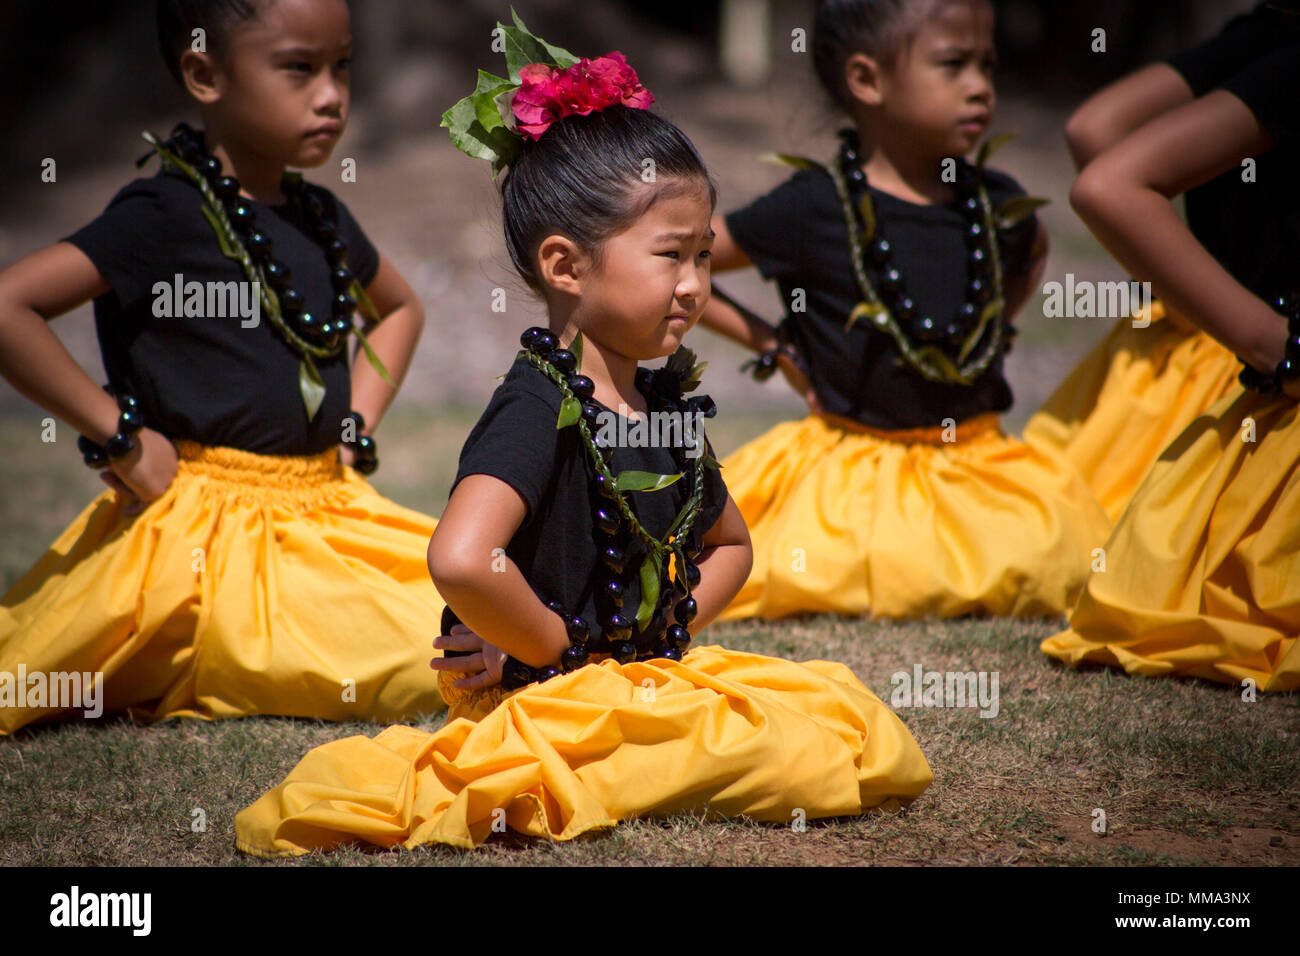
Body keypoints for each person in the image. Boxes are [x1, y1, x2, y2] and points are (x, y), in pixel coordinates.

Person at [234, 28, 932, 855]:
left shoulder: (664, 402)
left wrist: (659, 637)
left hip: (639, 683)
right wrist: (546, 646)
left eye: (706, 257)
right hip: (546, 702)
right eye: (672, 256)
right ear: (566, 267)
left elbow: (733, 547)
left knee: (826, 735)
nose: (696, 286)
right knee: (730, 759)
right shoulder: (535, 406)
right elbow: (462, 558)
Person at [0, 0, 447, 734]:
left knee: (480, 609)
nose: (332, 93)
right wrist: (120, 438)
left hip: (326, 511)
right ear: (205, 73)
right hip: (204, 533)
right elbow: (10, 307)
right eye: (299, 68)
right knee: (417, 656)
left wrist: (353, 427)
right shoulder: (163, 215)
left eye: (341, 67)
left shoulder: (323, 218)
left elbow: (400, 311)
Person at [696, 0, 1108, 620]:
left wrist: (992, 328)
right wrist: (773, 345)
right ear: (867, 80)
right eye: (954, 64)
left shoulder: (998, 205)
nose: (981, 89)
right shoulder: (813, 206)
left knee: (1064, 558)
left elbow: (1031, 251)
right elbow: (682, 258)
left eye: (987, 66)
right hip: (848, 481)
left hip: (981, 470)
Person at [1041, 11, 1300, 691]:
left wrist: (1190, 295)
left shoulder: (1269, 32)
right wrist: (1271, 340)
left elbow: (1092, 129)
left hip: (1222, 348)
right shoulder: (1283, 44)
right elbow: (1102, 163)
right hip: (1263, 367)